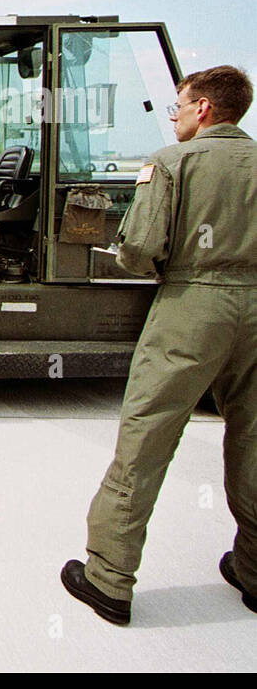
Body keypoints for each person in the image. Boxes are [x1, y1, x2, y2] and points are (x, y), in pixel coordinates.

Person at [62, 65, 256, 624]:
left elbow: (141, 248)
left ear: (203, 110)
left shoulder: (172, 163)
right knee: (254, 440)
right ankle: (253, 569)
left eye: (178, 106)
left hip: (194, 308)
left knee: (146, 438)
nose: (173, 117)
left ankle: (109, 579)